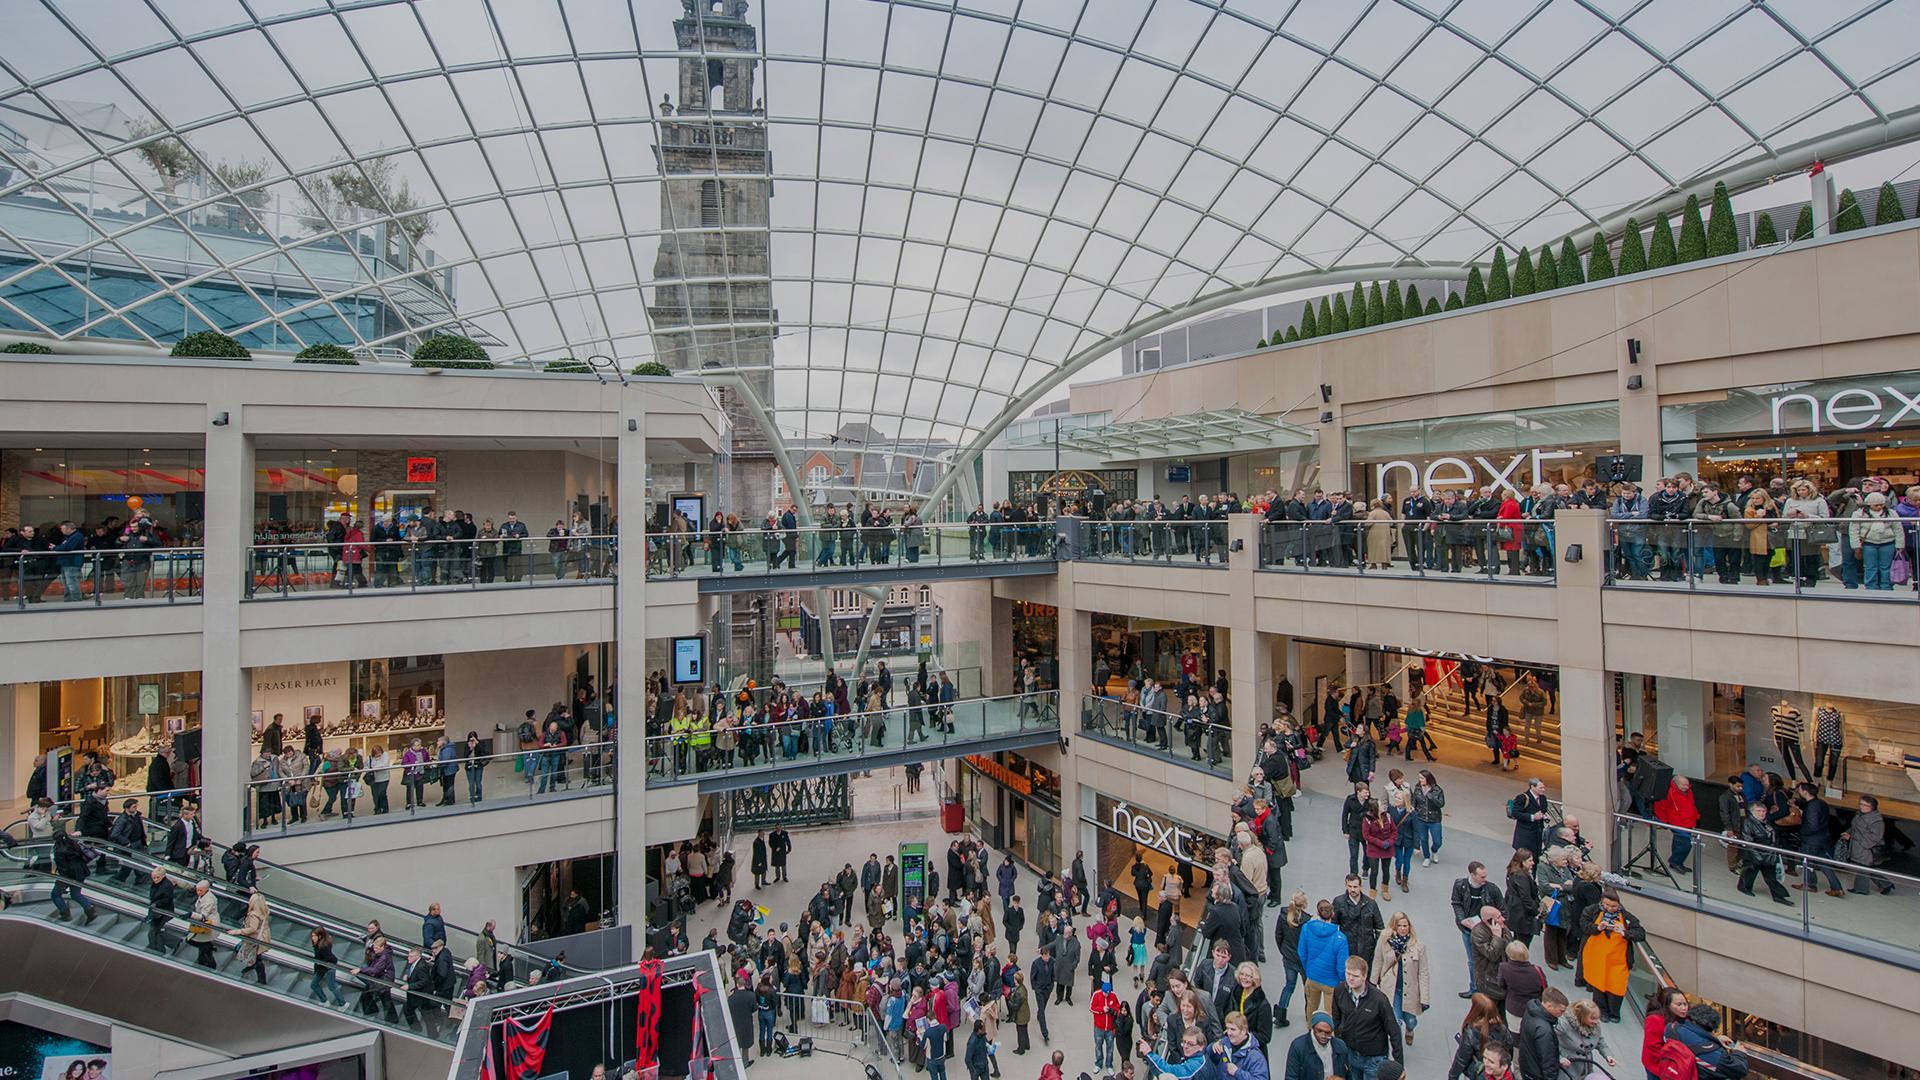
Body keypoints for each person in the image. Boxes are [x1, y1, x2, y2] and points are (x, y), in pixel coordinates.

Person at [1329, 956, 1402, 1080]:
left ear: (1365, 976)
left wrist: (1399, 1066)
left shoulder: (1379, 1000)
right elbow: (1336, 1018)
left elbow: (1394, 1031)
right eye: (1348, 973)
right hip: (1350, 1054)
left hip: (1374, 1058)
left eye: (1355, 976)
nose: (1350, 978)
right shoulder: (1340, 990)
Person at [1575, 888, 1641, 1022]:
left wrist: (1625, 933)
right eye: (1607, 905)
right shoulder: (1591, 911)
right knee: (1598, 985)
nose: (1610, 909)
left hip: (1618, 959)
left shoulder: (1626, 916)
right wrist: (1597, 928)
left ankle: (1614, 1012)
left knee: (1617, 986)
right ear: (1602, 902)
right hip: (1596, 956)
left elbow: (1640, 933)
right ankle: (1602, 1011)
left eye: (1614, 906)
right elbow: (1583, 924)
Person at [1369, 912, 1427, 1047]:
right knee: (1395, 1021)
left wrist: (1424, 999)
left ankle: (1410, 1030)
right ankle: (1397, 1048)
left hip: (1410, 990)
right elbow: (1378, 960)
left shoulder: (1419, 946)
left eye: (1405, 926)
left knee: (1410, 1020)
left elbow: (1424, 973)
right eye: (1399, 926)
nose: (1402, 928)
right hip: (1391, 988)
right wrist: (1373, 983)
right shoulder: (1384, 939)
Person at [1450, 862, 1503, 998]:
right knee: (1473, 961)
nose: (1484, 879)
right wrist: (1462, 920)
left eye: (1485, 876)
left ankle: (1484, 989)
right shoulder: (1460, 885)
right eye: (1481, 877)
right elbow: (1456, 903)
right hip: (1469, 930)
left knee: (1490, 959)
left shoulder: (1492, 889)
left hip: (1488, 931)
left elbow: (1503, 910)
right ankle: (1475, 989)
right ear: (1472, 875)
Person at [1733, 800, 1793, 905]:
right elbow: (1748, 841)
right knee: (1749, 873)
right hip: (1754, 854)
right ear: (1752, 812)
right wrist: (1757, 857)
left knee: (1771, 877)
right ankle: (1744, 887)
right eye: (1759, 811)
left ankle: (1779, 896)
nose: (1762, 813)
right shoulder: (1748, 822)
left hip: (1768, 854)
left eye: (1763, 811)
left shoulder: (1765, 822)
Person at [1296, 900, 1348, 1020]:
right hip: (1332, 982)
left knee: (1311, 1007)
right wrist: (1342, 979)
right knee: (1331, 1013)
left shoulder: (1307, 928)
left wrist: (1308, 969)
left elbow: (1302, 953)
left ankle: (1310, 1030)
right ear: (1333, 914)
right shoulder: (1341, 938)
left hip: (1313, 976)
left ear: (1317, 913)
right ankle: (1329, 1035)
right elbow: (1341, 965)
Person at [1841, 794, 1897, 895]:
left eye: (1865, 805)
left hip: (1867, 848)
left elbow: (1876, 836)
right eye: (1861, 804)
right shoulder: (1859, 815)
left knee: (1863, 867)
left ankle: (1861, 888)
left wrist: (1863, 844)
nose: (1862, 806)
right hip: (1860, 847)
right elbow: (1855, 828)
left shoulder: (1876, 820)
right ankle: (1886, 884)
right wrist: (1849, 833)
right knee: (1867, 868)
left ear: (1872, 807)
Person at [1553, 999, 1617, 1080]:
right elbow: (1549, 1041)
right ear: (1582, 1016)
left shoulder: (1594, 1026)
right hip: (1567, 1067)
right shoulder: (1565, 1025)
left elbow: (1600, 1042)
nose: (1596, 1022)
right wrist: (1559, 1058)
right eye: (1593, 1018)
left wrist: (1608, 1055)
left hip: (1586, 1067)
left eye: (1597, 1018)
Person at [1280, 1012, 1349, 1080]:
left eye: (1327, 1033)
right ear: (1313, 1028)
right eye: (1319, 1031)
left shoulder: (1340, 1046)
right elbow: (1291, 1076)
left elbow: (1349, 1074)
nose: (1323, 1035)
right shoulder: (1298, 1046)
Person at [187, 879, 221, 969]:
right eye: (197, 890)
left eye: (200, 890)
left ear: (207, 889)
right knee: (203, 945)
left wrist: (191, 915)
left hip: (209, 925)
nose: (198, 892)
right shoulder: (204, 896)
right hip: (206, 924)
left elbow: (203, 916)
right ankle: (207, 961)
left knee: (203, 946)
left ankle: (206, 964)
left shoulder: (209, 900)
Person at [1092, 978, 1121, 1077]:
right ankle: (1098, 1063)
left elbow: (1118, 1006)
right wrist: (1102, 1009)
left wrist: (1113, 1009)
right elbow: (1092, 1008)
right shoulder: (1096, 995)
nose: (1106, 995)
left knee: (1110, 1049)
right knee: (1098, 1047)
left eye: (1108, 993)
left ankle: (1109, 1064)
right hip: (1099, 1027)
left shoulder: (1113, 996)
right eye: (1105, 993)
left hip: (1109, 1028)